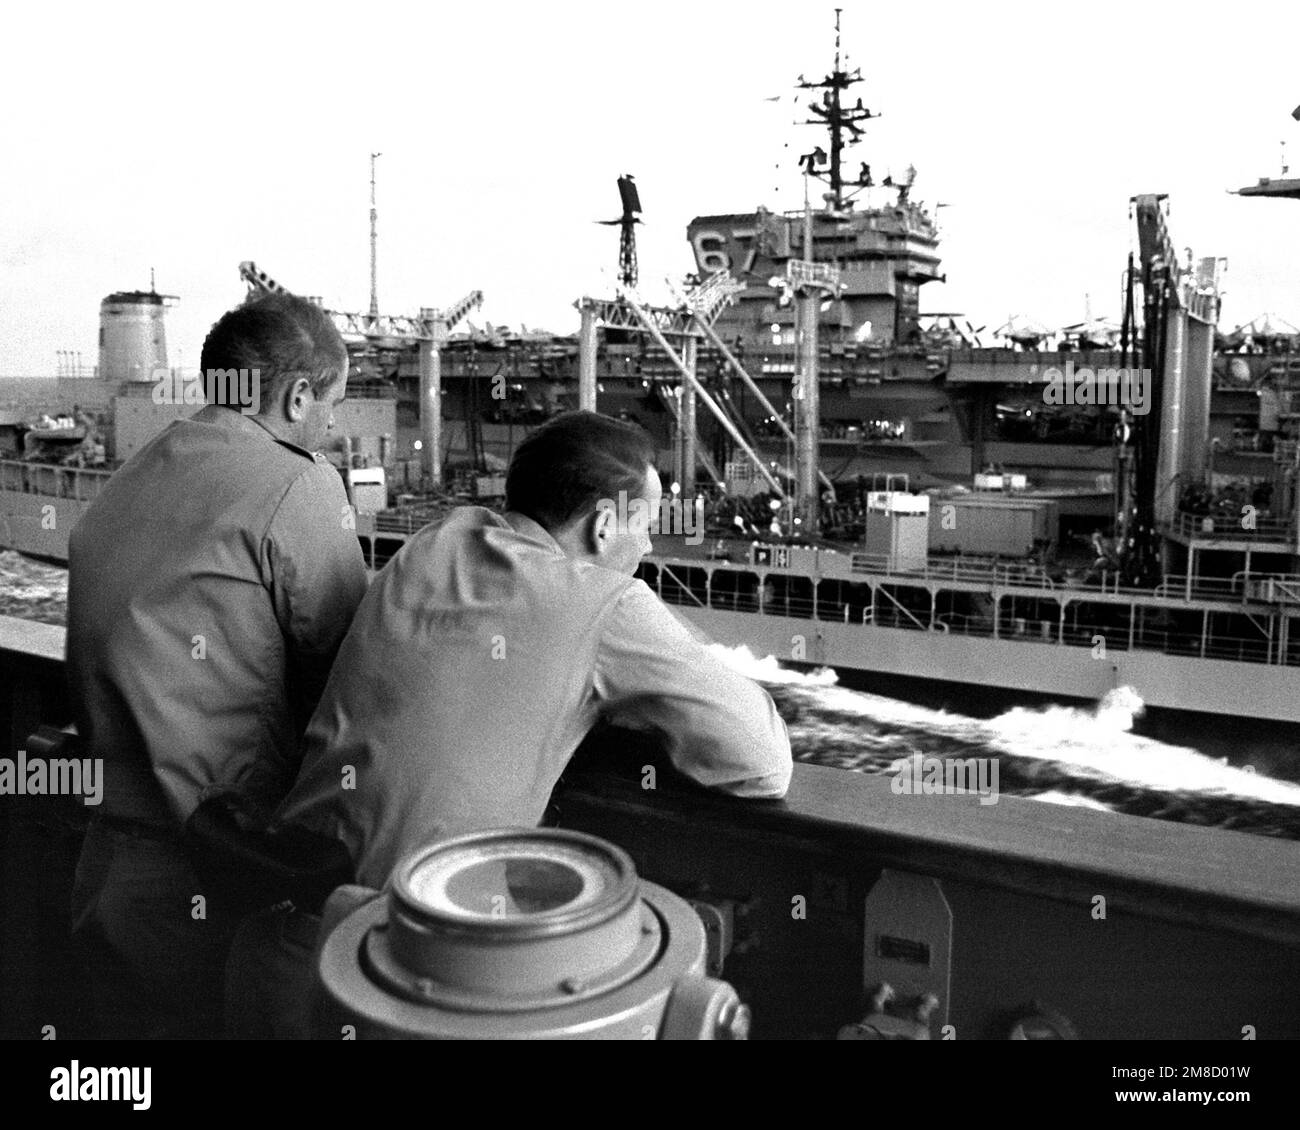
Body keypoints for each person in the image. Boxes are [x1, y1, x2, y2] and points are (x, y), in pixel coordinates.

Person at [229, 410, 792, 1038]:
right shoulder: (605, 603)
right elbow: (763, 762)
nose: (651, 547)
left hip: (276, 947)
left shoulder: (431, 545)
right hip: (400, 980)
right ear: (605, 524)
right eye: (647, 525)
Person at [66, 291, 367, 1039]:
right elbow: (351, 668)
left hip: (103, 860)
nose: (331, 427)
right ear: (299, 395)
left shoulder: (132, 475)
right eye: (332, 405)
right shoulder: (298, 483)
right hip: (206, 872)